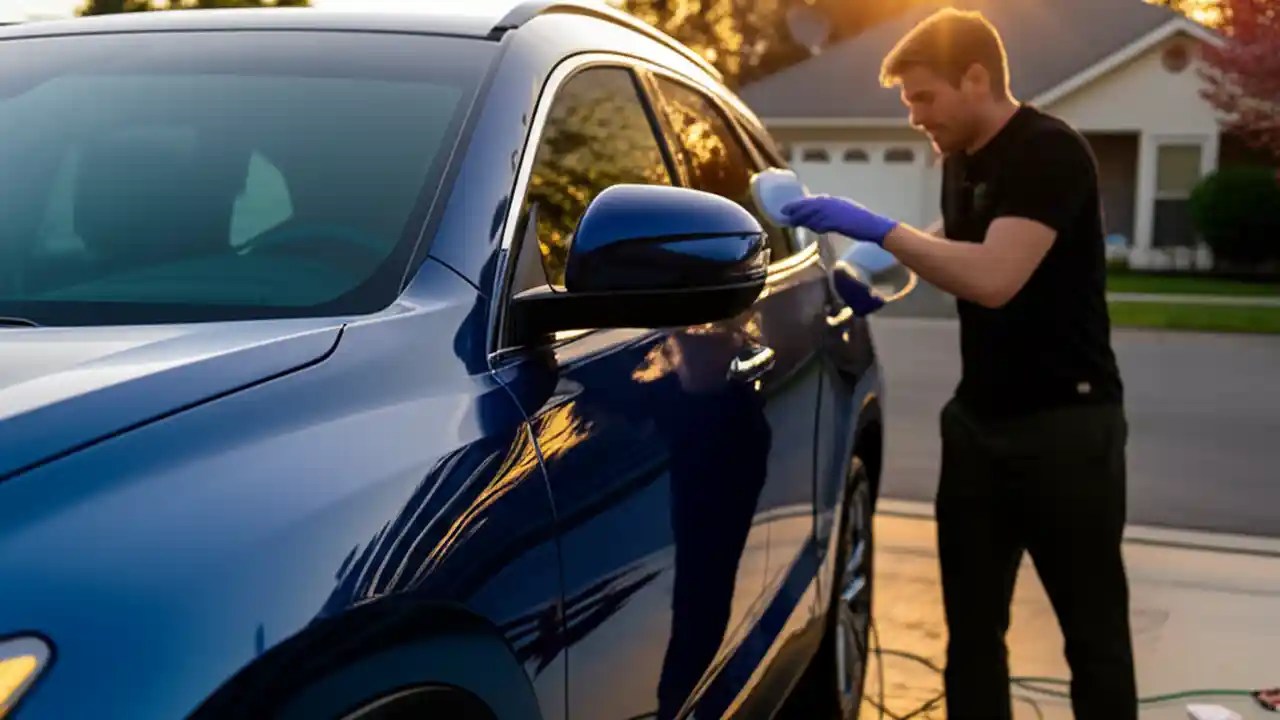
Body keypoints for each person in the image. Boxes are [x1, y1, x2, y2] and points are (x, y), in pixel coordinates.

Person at [782, 8, 1136, 720]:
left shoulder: (1049, 152)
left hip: (1067, 429)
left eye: (924, 98)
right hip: (978, 426)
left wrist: (880, 227)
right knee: (972, 633)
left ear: (976, 79)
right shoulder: (963, 157)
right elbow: (961, 237)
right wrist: (875, 267)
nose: (916, 116)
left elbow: (994, 276)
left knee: (1092, 634)